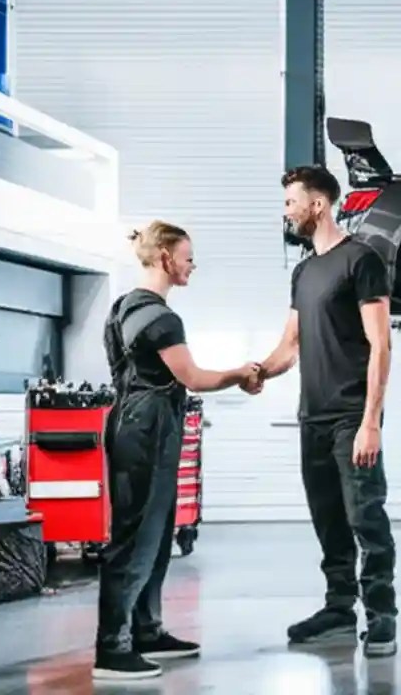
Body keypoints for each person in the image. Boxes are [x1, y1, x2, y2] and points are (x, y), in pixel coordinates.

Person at [94, 220, 262, 681]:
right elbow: (193, 377)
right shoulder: (162, 318)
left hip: (140, 421)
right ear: (166, 258)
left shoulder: (122, 307)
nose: (193, 265)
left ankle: (146, 630)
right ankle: (113, 649)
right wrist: (241, 372)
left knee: (158, 531)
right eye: (188, 257)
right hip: (146, 427)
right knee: (136, 537)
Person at [246, 164, 397, 657]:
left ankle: (382, 617)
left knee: (365, 518)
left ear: (318, 204)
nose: (285, 211)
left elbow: (381, 344)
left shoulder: (361, 260)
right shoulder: (304, 271)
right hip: (311, 416)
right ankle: (338, 610)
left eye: (291, 202)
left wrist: (371, 421)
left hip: (352, 415)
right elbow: (290, 344)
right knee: (328, 519)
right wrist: (256, 371)